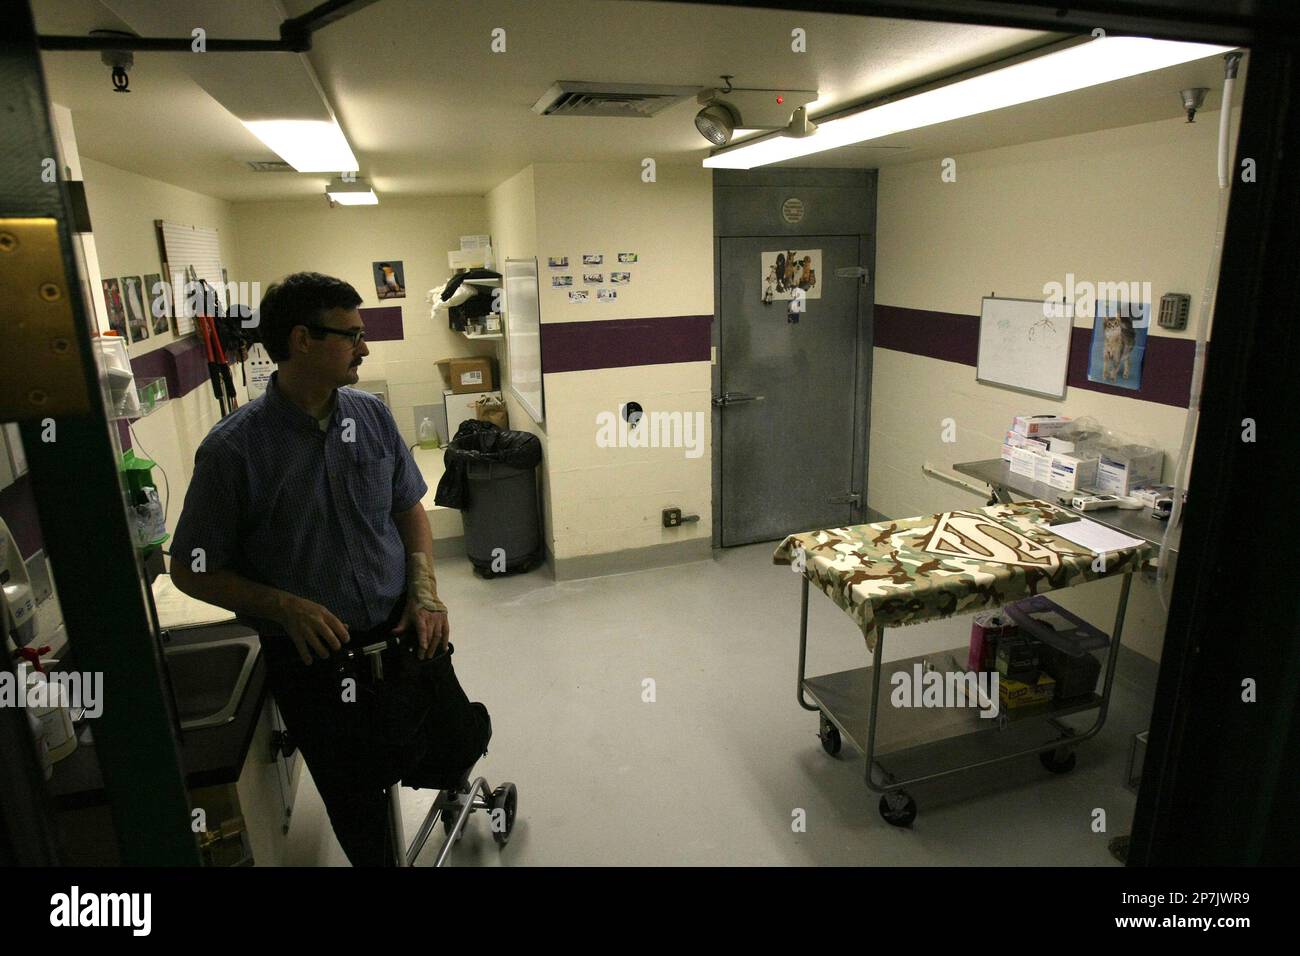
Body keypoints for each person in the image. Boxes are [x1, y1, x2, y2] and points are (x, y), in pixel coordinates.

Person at [171, 271, 465, 865]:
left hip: (401, 631)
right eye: (351, 334)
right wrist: (282, 605)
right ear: (302, 339)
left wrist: (425, 592)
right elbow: (191, 569)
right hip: (317, 662)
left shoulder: (372, 418)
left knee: (450, 742)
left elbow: (409, 509)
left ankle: (453, 798)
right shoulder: (233, 452)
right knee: (356, 799)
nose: (364, 346)